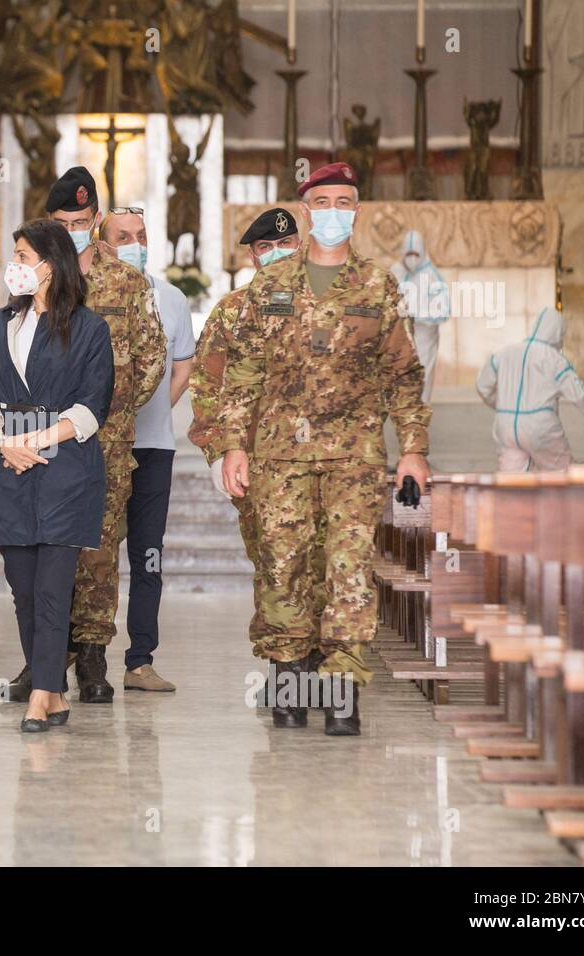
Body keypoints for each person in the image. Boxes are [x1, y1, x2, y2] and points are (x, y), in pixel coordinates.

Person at [218, 162, 431, 736]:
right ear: (307, 209)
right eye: (325, 201)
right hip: (280, 456)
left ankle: (342, 692)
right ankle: (289, 686)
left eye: (346, 202)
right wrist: (234, 445)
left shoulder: (376, 285)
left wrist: (413, 448)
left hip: (353, 458)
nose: (335, 211)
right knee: (284, 569)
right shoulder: (271, 284)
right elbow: (244, 372)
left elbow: (402, 372)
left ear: (355, 211)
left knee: (348, 569)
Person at [8, 167, 166, 705]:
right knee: (41, 547)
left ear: (96, 219)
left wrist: (111, 410)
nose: (74, 228)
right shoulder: (32, 283)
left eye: (82, 220)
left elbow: (151, 359)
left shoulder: (128, 282)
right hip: (40, 441)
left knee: (97, 550)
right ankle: (43, 661)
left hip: (108, 443)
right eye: (62, 222)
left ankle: (94, 654)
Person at [0, 218, 113, 732]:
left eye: (23, 257)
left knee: (55, 587)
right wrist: (2, 438)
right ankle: (52, 690)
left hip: (65, 469)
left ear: (50, 268)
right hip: (5, 467)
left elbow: (92, 405)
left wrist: (33, 440)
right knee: (24, 588)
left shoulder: (91, 329)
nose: (15, 266)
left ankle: (39, 694)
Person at [191, 207, 329, 671]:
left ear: (302, 246)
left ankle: (317, 656)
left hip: (322, 458)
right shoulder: (233, 311)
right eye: (265, 248)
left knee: (323, 558)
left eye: (284, 246)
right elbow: (208, 386)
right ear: (253, 257)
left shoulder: (327, 301)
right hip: (255, 460)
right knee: (274, 560)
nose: (276, 255)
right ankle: (285, 663)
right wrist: (216, 450)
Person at [98, 205, 194, 693]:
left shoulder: (172, 297)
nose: (134, 244)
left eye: (141, 235)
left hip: (154, 446)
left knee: (147, 554)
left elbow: (184, 364)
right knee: (91, 553)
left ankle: (140, 659)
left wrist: (155, 408)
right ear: (102, 242)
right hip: (96, 446)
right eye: (123, 236)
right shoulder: (88, 291)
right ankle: (84, 654)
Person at [475, 307, 584, 471]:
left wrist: (504, 405)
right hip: (540, 427)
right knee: (561, 475)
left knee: (512, 484)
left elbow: (482, 386)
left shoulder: (504, 353)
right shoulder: (554, 359)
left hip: (505, 426)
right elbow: (580, 396)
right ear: (557, 333)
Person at [390, 230, 448, 404]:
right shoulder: (396, 271)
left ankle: (418, 421)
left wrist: (419, 317)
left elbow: (443, 310)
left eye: (416, 254)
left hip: (424, 339)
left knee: (421, 381)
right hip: (399, 337)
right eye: (409, 254)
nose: (412, 258)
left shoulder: (432, 277)